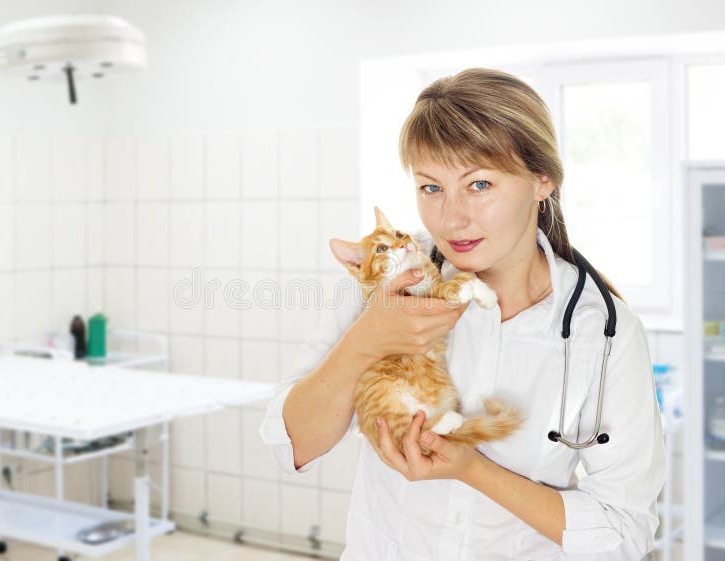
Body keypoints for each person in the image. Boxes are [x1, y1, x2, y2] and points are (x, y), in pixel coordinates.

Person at [258, 67, 666, 561]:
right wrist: (369, 338)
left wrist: (472, 468)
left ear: (542, 180)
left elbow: (625, 534)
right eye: (431, 188)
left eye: (479, 185)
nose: (451, 218)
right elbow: (292, 445)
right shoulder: (390, 286)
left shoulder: (604, 334)